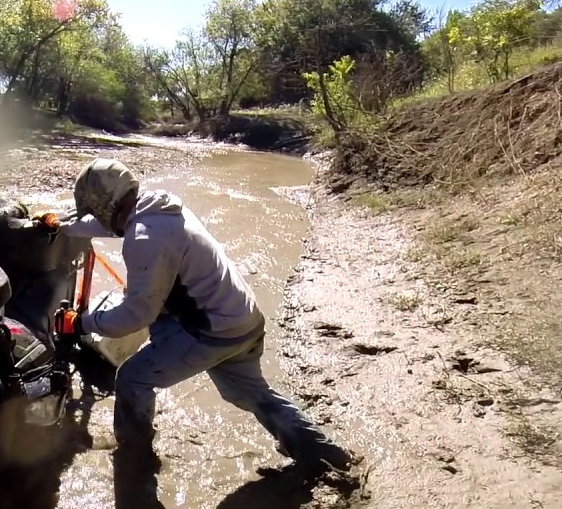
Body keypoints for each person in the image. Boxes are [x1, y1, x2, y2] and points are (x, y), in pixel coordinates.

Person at [49, 157, 354, 474]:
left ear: (102, 204)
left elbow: (134, 315)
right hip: (243, 320)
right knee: (252, 393)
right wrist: (63, 224)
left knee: (132, 378)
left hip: (212, 333)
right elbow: (112, 224)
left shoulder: (144, 238)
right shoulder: (158, 207)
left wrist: (80, 322)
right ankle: (325, 455)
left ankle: (135, 458)